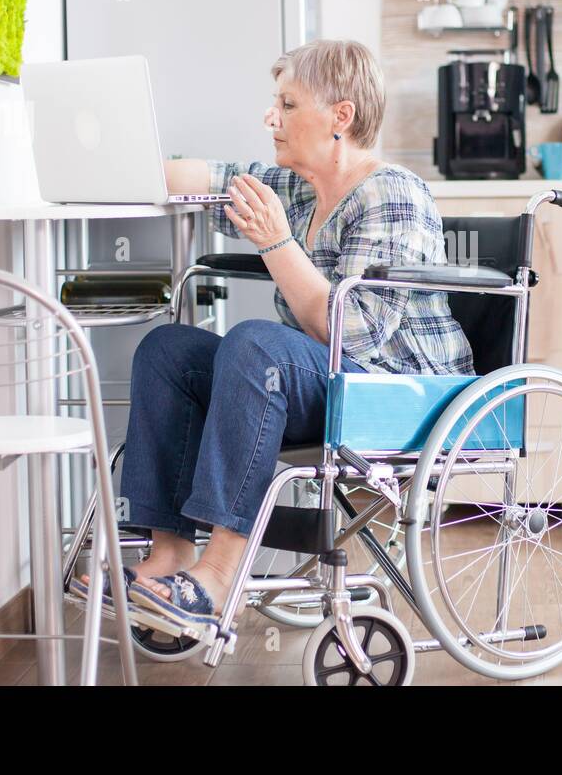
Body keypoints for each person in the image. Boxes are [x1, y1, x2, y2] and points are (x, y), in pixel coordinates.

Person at [80, 39, 474, 626]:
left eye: (288, 104)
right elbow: (202, 176)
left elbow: (354, 333)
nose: (272, 117)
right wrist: (95, 164)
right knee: (167, 350)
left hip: (393, 392)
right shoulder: (296, 188)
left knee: (256, 343)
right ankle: (168, 557)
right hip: (316, 381)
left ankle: (217, 576)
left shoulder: (392, 194)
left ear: (341, 116)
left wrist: (276, 244)